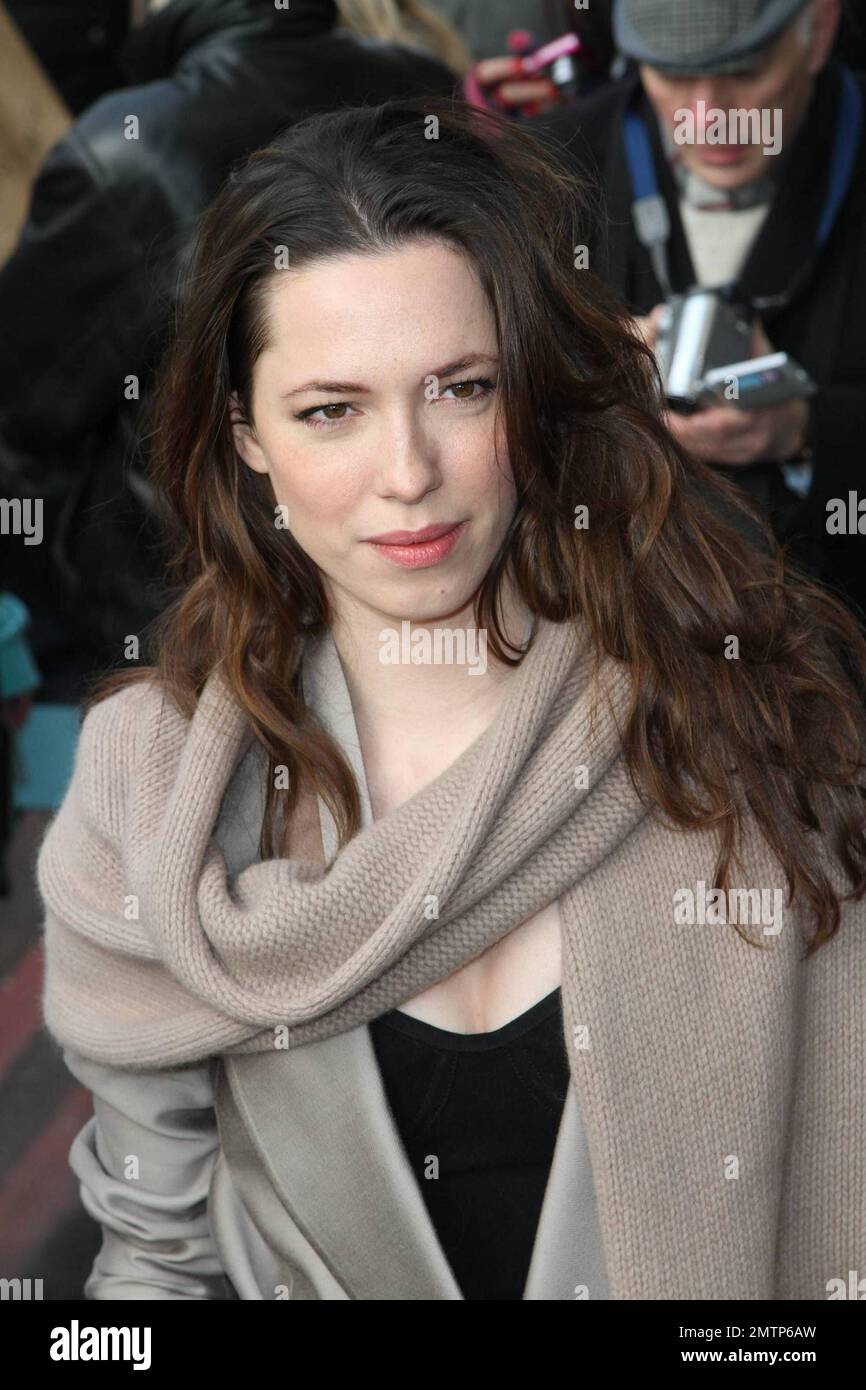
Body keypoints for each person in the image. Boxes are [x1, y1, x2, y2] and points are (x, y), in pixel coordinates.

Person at [36, 96, 866, 1301]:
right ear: (245, 435)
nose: (409, 473)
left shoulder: (744, 714)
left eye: (461, 388)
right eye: (331, 410)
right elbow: (154, 1266)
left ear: (528, 391)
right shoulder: (146, 787)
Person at [0, 0, 463, 703]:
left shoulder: (127, 149)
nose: (405, 470)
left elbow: (26, 410)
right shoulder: (429, 90)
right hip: (380, 616)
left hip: (193, 622)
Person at [534, 0, 866, 622]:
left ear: (818, 32)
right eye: (674, 76)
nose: (709, 120)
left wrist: (809, 431)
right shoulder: (547, 171)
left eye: (744, 74)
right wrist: (584, 378)